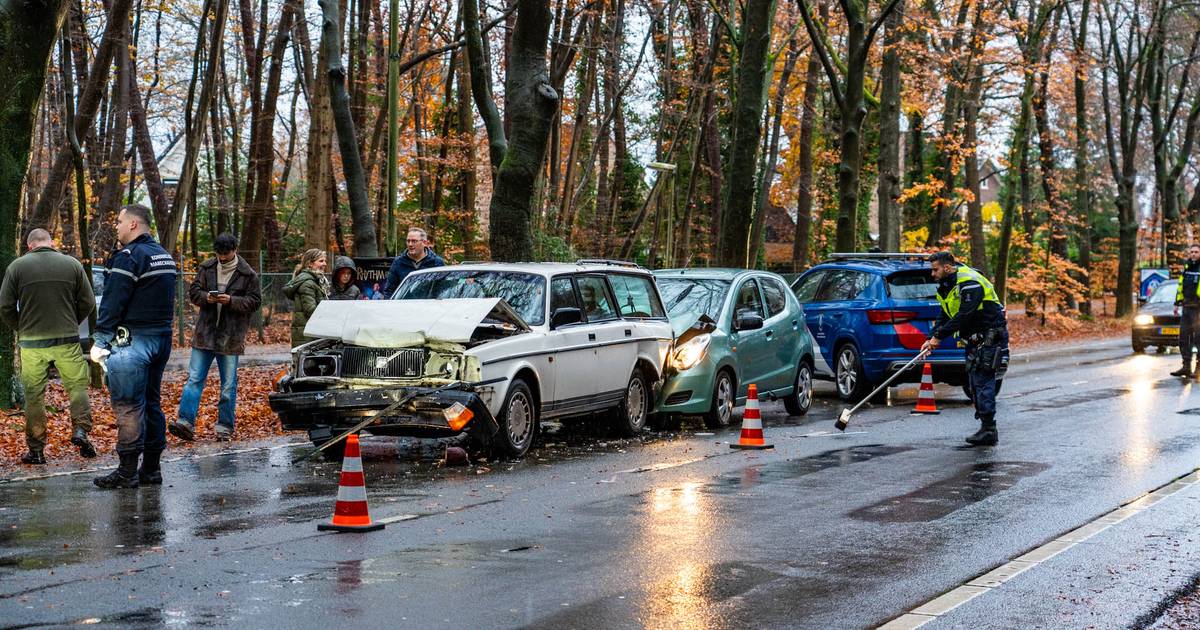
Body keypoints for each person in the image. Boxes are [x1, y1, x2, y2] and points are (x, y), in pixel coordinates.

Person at [91, 205, 177, 488]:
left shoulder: (129, 257)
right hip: (161, 337)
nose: (115, 226)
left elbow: (114, 301)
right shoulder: (164, 256)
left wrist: (101, 339)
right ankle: (151, 469)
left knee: (128, 405)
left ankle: (127, 472)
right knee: (152, 402)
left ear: (132, 225)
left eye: (118, 221)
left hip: (132, 341)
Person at [0, 229, 97, 464]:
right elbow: (89, 302)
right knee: (77, 387)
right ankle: (81, 430)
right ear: (51, 243)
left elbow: (5, 306)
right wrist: (71, 322)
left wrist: (21, 327)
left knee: (34, 397)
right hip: (66, 340)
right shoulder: (72, 265)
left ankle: (36, 450)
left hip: (32, 343)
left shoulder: (17, 267)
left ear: (29, 246)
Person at [169, 233, 262, 443]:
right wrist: (207, 298)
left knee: (228, 384)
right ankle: (185, 422)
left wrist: (231, 301)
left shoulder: (248, 274)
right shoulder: (206, 267)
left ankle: (224, 427)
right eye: (219, 254)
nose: (222, 258)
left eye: (226, 254)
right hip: (205, 334)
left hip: (231, 336)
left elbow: (255, 301)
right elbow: (194, 293)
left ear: (234, 250)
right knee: (194, 379)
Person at [921, 251, 1009, 447]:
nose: (932, 274)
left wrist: (939, 337)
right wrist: (931, 338)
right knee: (973, 381)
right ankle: (986, 428)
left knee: (982, 380)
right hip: (974, 339)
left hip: (990, 336)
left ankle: (989, 429)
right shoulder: (946, 287)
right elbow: (945, 314)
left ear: (947, 267)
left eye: (935, 270)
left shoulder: (969, 281)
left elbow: (964, 314)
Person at [283, 249, 329, 348]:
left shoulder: (317, 281)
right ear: (310, 264)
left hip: (310, 331)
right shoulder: (307, 283)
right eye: (321, 261)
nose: (325, 264)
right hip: (308, 335)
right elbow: (311, 310)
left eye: (325, 261)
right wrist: (330, 314)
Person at [382, 228, 445, 296]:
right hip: (404, 305)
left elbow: (442, 290)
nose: (410, 244)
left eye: (414, 241)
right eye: (408, 241)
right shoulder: (398, 262)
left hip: (428, 305)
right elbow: (389, 291)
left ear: (425, 243)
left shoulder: (436, 262)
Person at [1173, 243, 1200, 377]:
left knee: (1198, 339)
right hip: (1186, 308)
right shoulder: (1187, 267)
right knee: (1183, 338)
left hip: (1198, 310)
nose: (1194, 254)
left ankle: (1198, 368)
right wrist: (1177, 302)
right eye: (1192, 252)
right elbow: (1180, 286)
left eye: (1196, 252)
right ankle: (1186, 366)